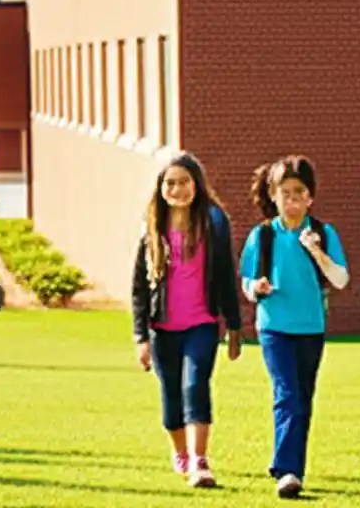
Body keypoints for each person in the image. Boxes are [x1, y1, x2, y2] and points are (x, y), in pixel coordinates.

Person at [129, 152, 242, 489]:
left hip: (201, 325)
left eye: (184, 182)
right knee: (171, 396)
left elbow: (225, 276)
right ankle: (180, 453)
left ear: (197, 185)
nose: (178, 189)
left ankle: (200, 460)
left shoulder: (213, 224)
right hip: (163, 330)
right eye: (171, 183)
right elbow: (138, 288)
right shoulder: (152, 230)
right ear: (161, 189)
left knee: (195, 386)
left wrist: (234, 327)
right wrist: (140, 338)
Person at [240, 155, 349, 500]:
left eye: (299, 192)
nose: (292, 199)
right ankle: (287, 470)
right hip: (275, 328)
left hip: (311, 328)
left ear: (310, 196)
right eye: (285, 192)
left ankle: (291, 469)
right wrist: (254, 288)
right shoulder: (263, 235)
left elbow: (341, 280)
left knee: (302, 399)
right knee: (286, 394)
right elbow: (246, 279)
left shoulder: (323, 233)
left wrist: (317, 252)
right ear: (274, 196)